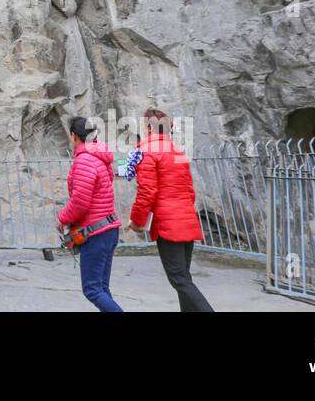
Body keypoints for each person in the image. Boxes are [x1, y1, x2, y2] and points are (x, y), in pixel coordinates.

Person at [126, 108, 213, 311]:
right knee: (184, 278)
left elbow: (147, 191)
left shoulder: (146, 151)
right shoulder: (177, 151)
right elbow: (190, 191)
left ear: (149, 127)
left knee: (179, 280)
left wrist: (137, 220)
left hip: (168, 224)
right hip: (186, 220)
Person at [57, 116, 122, 312]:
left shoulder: (84, 160)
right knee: (101, 287)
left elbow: (80, 201)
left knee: (92, 289)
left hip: (96, 232)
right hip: (107, 228)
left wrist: (62, 218)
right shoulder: (98, 156)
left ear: (74, 136)